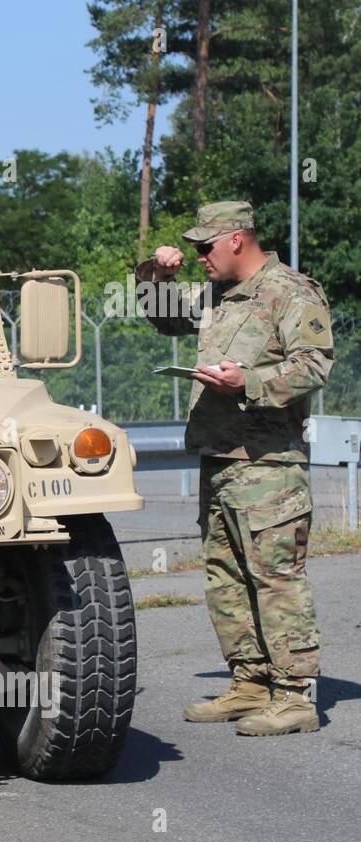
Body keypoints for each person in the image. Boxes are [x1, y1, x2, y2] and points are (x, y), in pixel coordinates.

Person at [137, 200, 332, 736]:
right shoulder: (218, 295)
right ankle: (250, 682)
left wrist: (247, 382)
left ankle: (295, 695)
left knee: (275, 578)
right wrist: (156, 273)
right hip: (221, 456)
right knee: (226, 576)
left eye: (206, 246)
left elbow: (314, 364)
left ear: (237, 240)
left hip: (269, 463)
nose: (200, 256)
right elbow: (167, 321)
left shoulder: (292, 292)